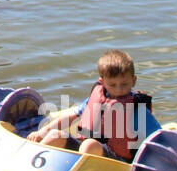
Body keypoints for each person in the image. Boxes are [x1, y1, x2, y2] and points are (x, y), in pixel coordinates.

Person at [26, 50, 162, 163]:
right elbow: (72, 116)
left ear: (134, 81)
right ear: (102, 82)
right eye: (113, 85)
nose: (119, 89)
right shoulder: (99, 96)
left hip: (117, 161)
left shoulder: (137, 108)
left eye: (124, 84)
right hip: (85, 150)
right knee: (55, 135)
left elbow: (158, 137)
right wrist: (43, 131)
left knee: (89, 145)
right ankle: (31, 164)